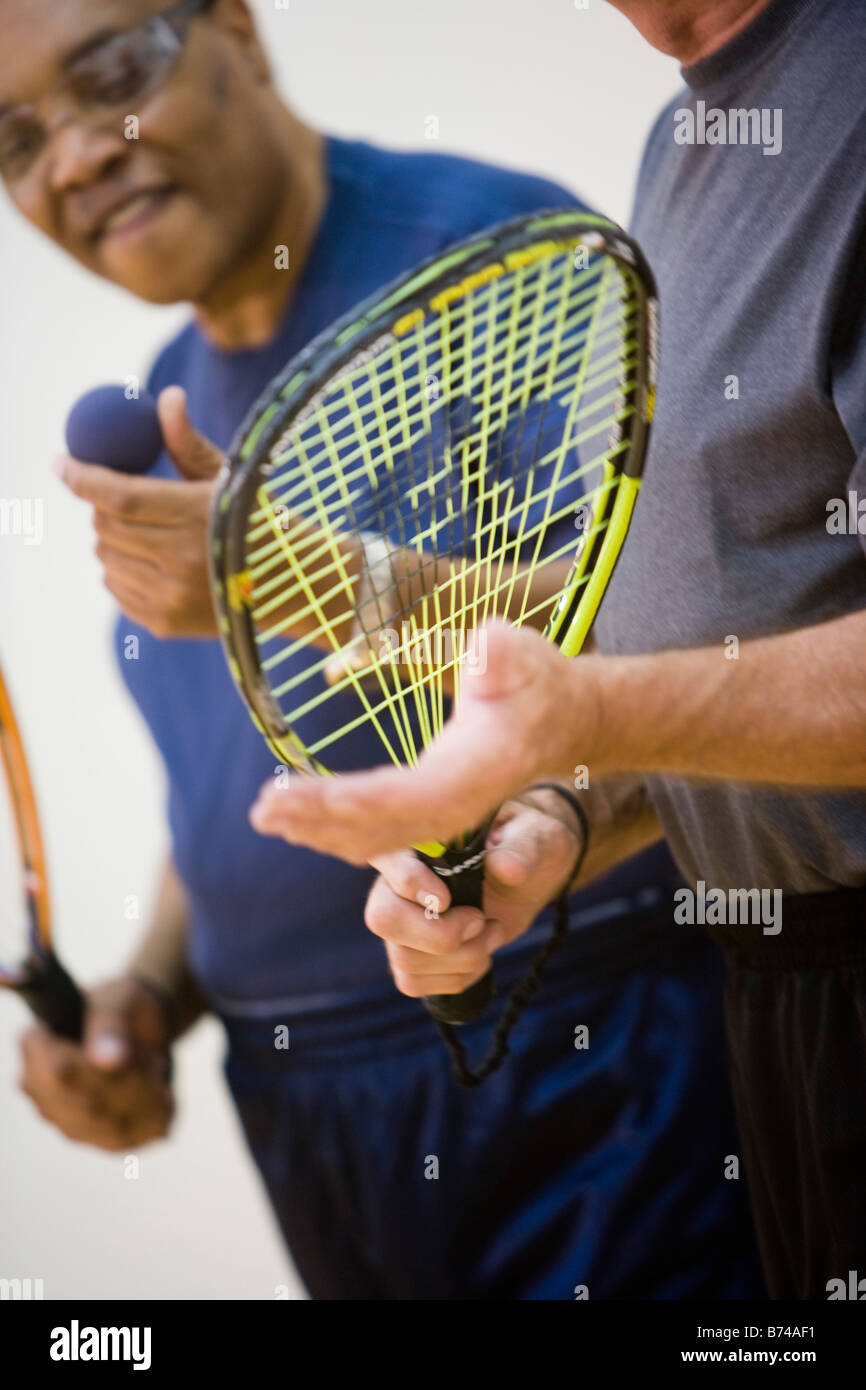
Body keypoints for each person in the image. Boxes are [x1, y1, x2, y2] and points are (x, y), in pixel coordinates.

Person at [5, 0, 760, 1298]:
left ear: (236, 29)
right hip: (308, 1119)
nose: (75, 156)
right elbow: (241, 787)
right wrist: (148, 991)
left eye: (111, 73)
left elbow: (680, 645)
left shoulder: (498, 256)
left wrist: (295, 579)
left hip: (584, 1058)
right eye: (15, 139)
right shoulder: (171, 378)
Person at [252, 0, 866, 1300]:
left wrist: (574, 714)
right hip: (786, 1015)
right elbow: (733, 620)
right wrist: (553, 822)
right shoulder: (677, 139)